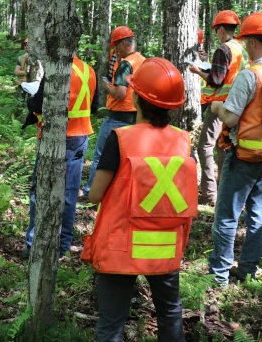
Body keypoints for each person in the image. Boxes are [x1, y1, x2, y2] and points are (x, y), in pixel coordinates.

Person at [81, 58, 197, 342]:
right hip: (164, 247)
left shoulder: (120, 138)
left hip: (120, 246)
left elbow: (95, 194)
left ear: (138, 97)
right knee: (170, 314)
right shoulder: (183, 142)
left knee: (111, 325)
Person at [208, 12, 262, 285]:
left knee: (226, 217)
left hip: (243, 154)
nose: (244, 46)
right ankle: (247, 271)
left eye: (246, 41)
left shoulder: (249, 76)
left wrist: (217, 107)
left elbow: (231, 118)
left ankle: (219, 277)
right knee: (256, 216)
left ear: (254, 42)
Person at [22, 55, 99, 259]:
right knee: (70, 193)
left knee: (39, 191)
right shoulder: (88, 69)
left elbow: (37, 105)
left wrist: (32, 97)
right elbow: (96, 105)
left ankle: (32, 245)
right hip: (81, 137)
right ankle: (63, 245)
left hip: (58, 138)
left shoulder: (58, 68)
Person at [189, 10, 248, 205]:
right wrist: (208, 63)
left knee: (204, 145)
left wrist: (198, 71)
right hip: (238, 105)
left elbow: (215, 81)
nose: (216, 34)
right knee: (224, 146)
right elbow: (229, 73)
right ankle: (224, 190)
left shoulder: (223, 49)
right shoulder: (241, 48)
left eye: (216, 31)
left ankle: (210, 194)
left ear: (222, 29)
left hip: (220, 106)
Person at [84, 26, 146, 198]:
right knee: (128, 157)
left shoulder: (126, 64)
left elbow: (120, 93)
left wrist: (107, 86)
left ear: (124, 44)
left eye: (116, 45)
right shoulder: (142, 60)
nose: (115, 50)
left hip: (118, 117)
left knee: (101, 155)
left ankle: (91, 191)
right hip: (136, 117)